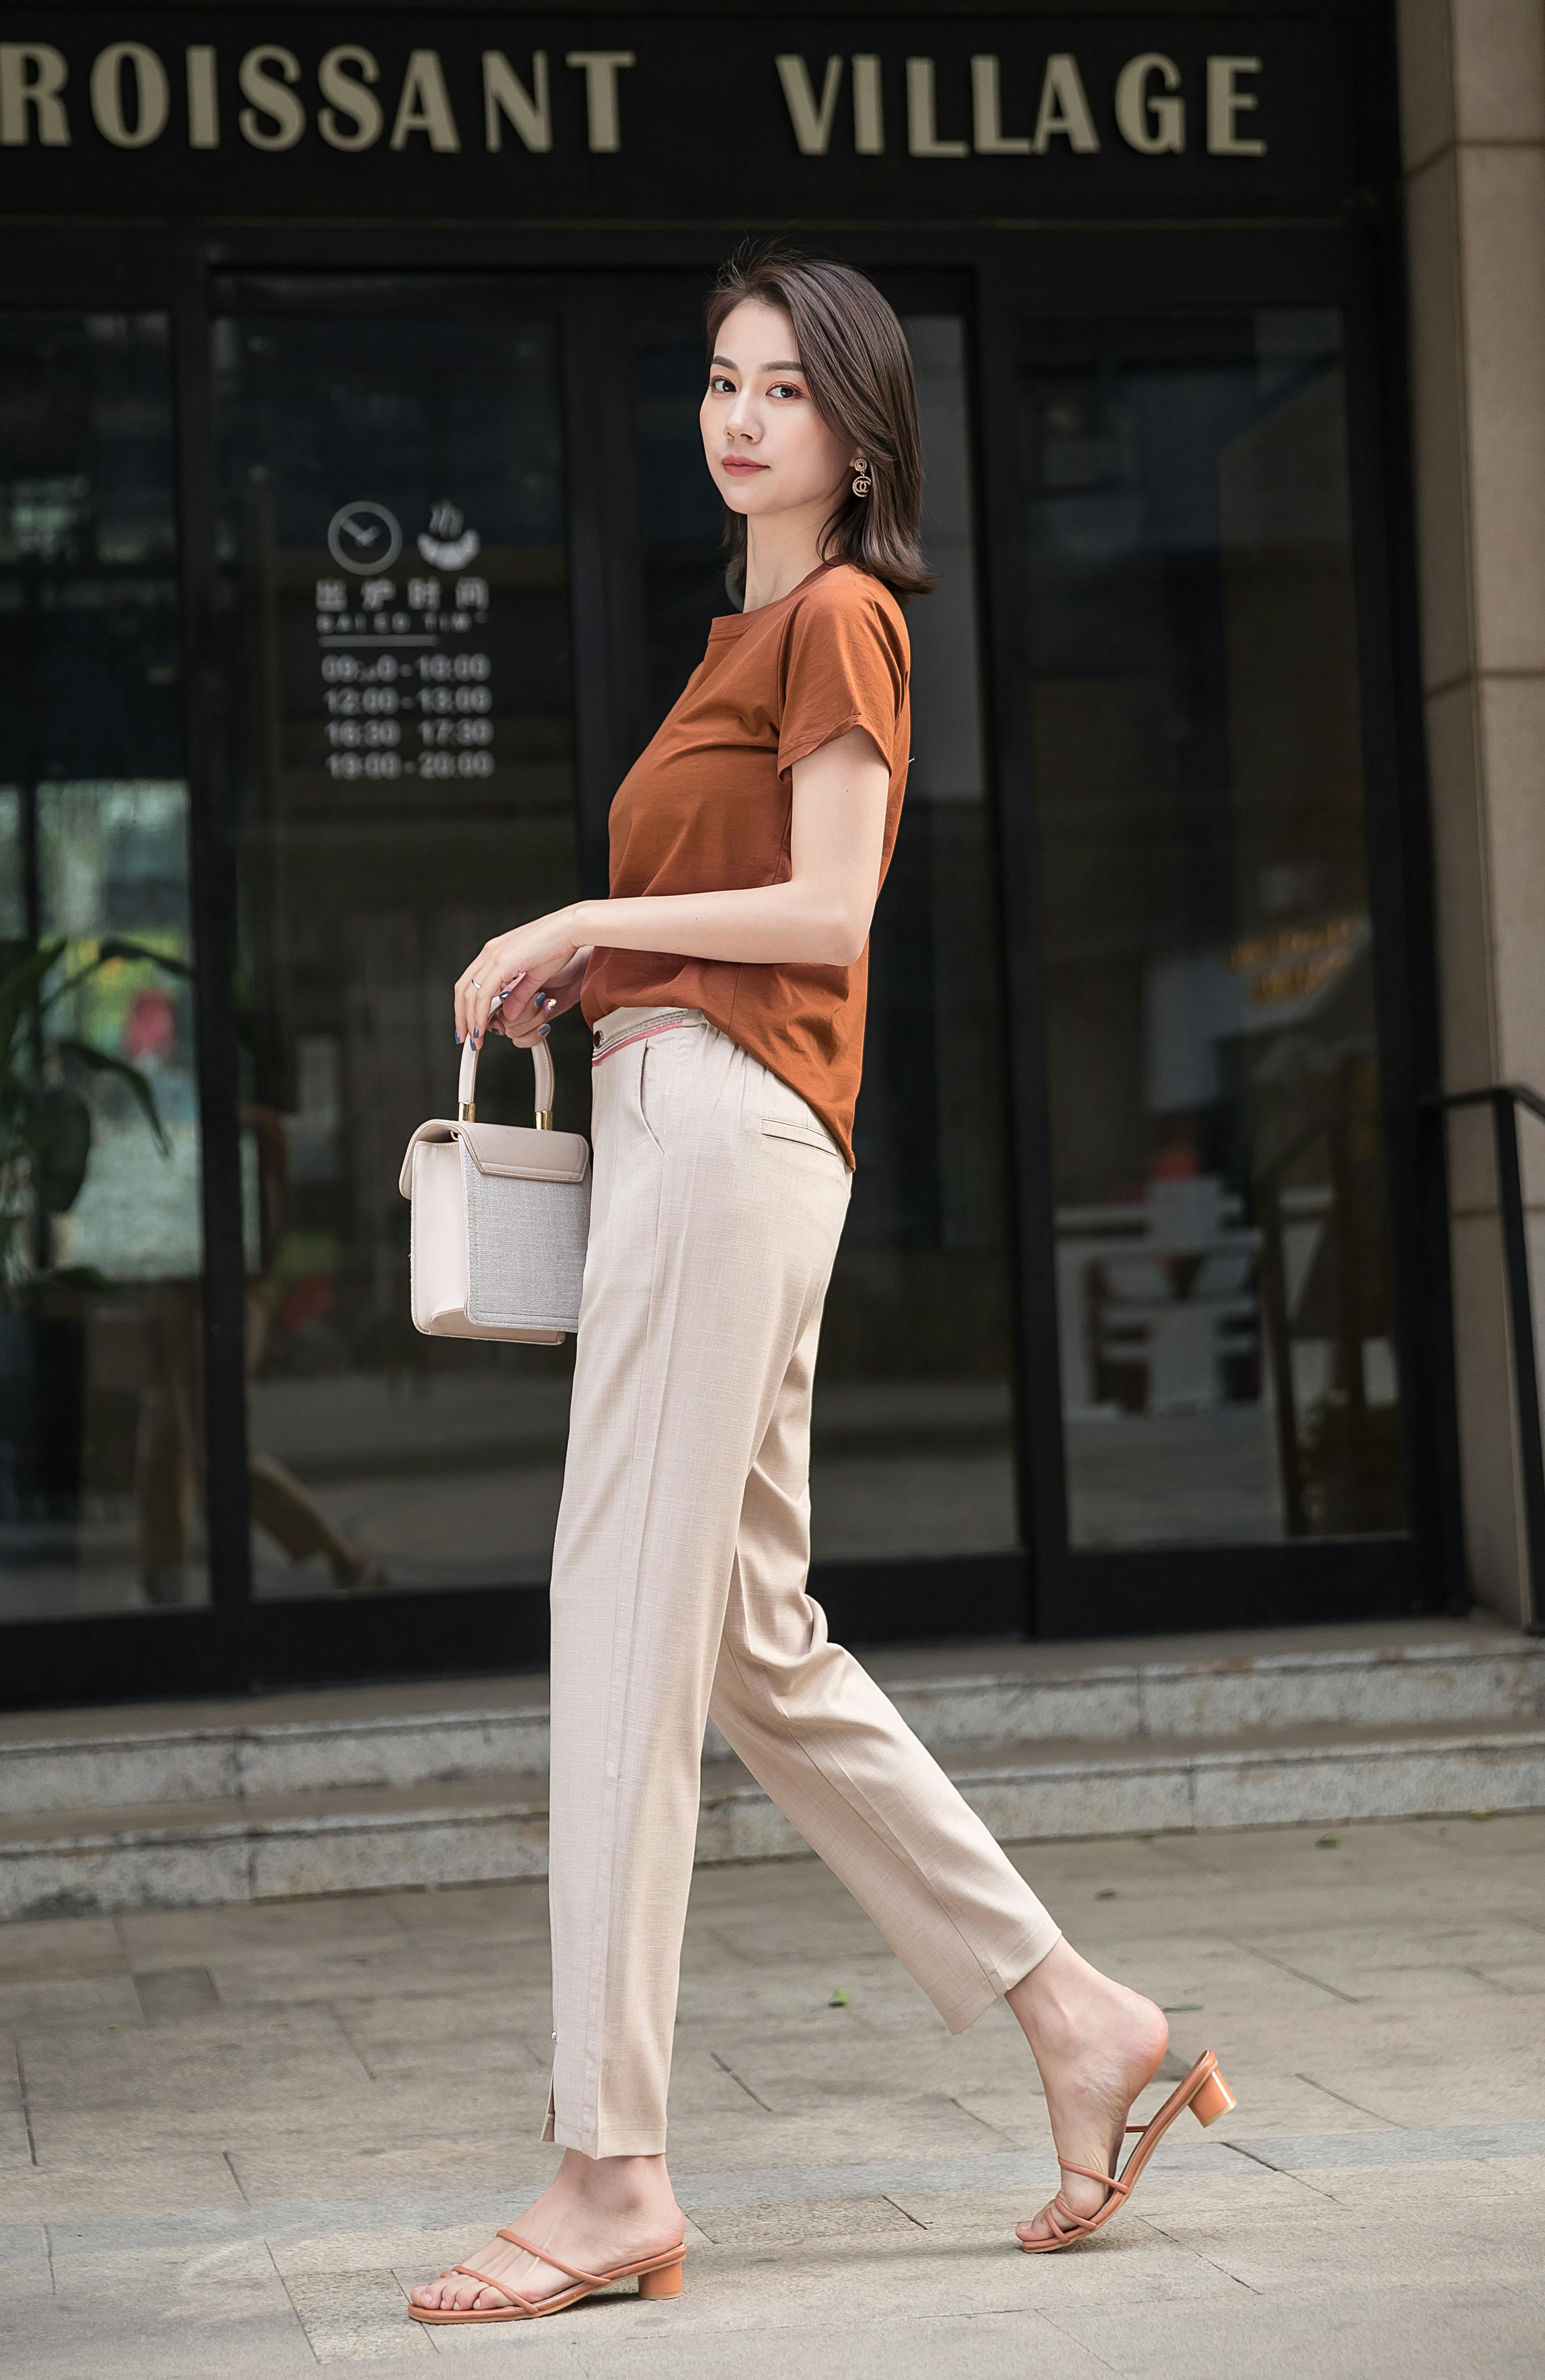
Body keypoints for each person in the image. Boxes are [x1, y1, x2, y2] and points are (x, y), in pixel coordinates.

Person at [410, 248, 1231, 2328]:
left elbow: (830, 908)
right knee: (753, 1644)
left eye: (784, 386)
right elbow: (737, 908)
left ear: (861, 434)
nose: (740, 413)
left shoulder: (841, 616)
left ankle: (608, 2168)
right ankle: (1078, 2018)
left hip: (718, 1136)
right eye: (721, 378)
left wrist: (581, 916)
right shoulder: (747, 634)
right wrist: (608, 960)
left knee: (623, 1622)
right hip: (696, 1124)